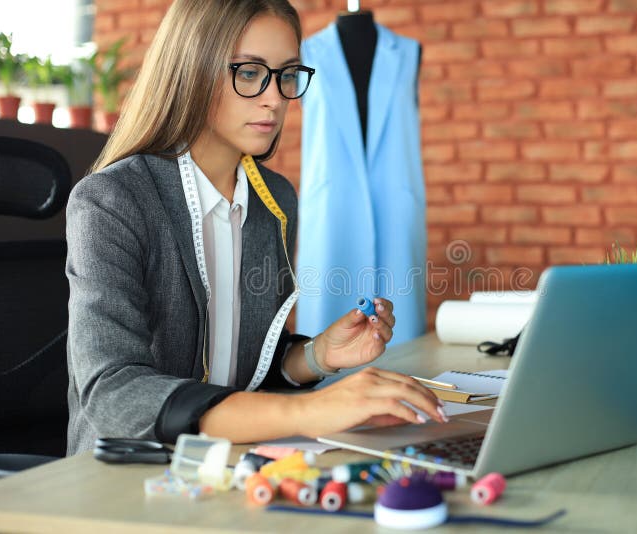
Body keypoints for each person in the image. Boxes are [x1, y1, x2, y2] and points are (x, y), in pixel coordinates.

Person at [65, 0, 446, 456]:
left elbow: (243, 370)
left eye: (287, 75)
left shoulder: (275, 200)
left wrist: (317, 356)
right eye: (249, 73)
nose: (275, 98)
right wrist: (310, 412)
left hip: (230, 466)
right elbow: (114, 392)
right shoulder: (113, 201)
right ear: (193, 71)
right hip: (126, 475)